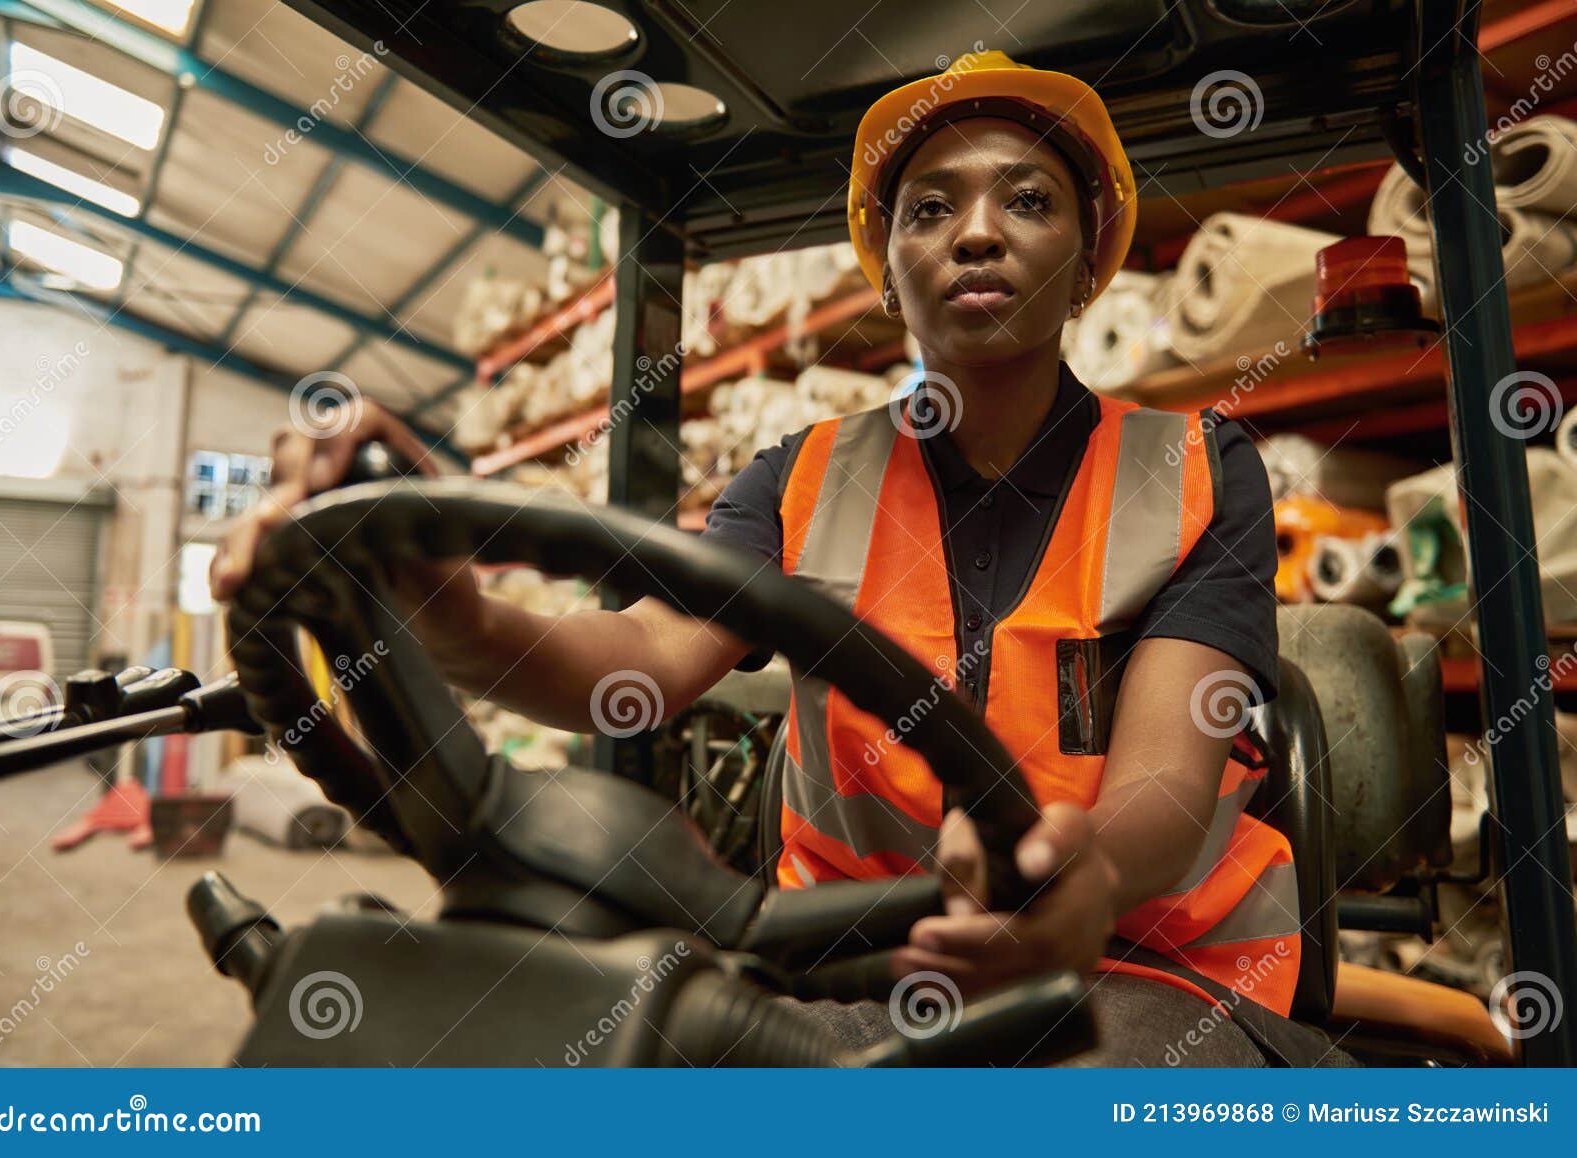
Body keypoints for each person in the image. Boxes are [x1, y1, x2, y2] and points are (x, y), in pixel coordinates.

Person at [213, 50, 1344, 1066]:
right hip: (843, 968)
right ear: (887, 269)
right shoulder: (797, 478)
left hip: (1144, 968)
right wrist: (453, 611)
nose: (977, 232)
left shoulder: (1196, 468)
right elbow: (641, 662)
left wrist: (1071, 871)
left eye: (1030, 201)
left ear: (1091, 258)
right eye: (930, 210)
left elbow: (1164, 777)